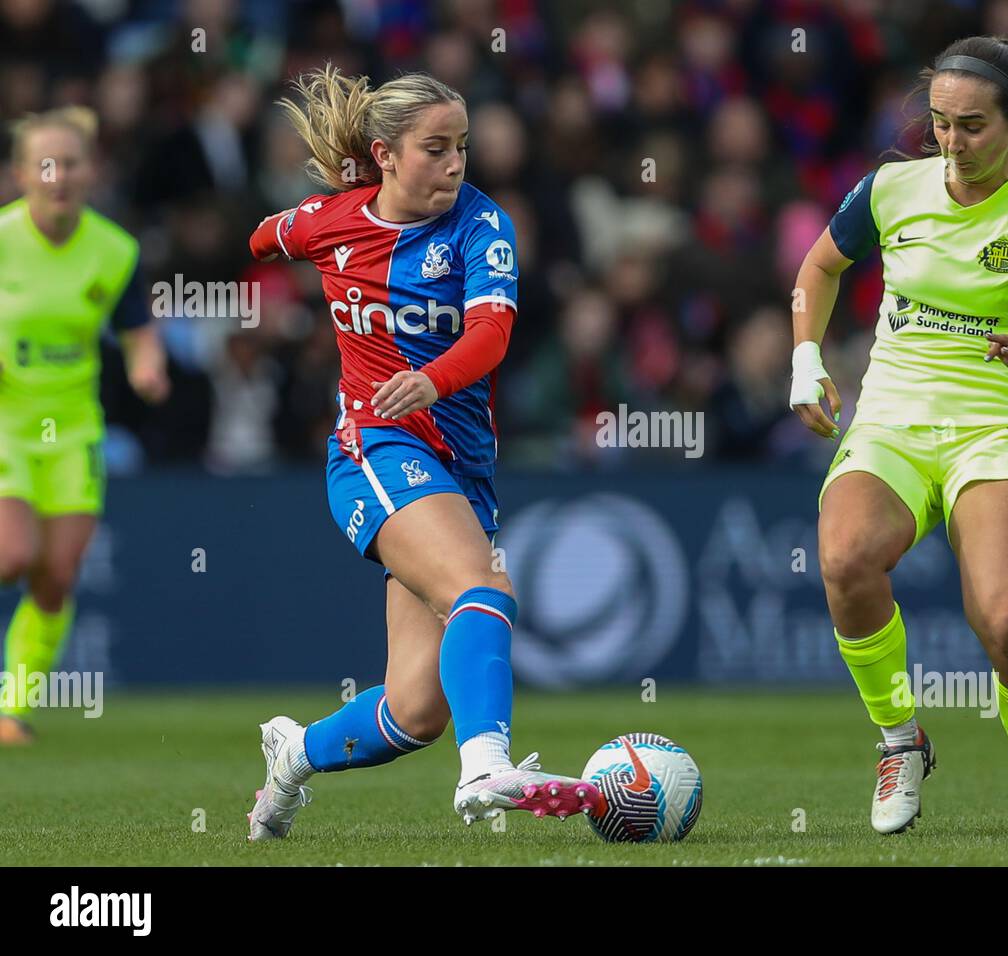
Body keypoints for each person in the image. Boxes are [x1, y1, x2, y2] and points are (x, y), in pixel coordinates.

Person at [245, 65, 602, 839]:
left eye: (462, 148)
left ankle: (293, 755)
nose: (453, 165)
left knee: (414, 711)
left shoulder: (482, 226)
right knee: (483, 587)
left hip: (460, 467)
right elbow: (267, 236)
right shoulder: (333, 221)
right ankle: (487, 769)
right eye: (434, 148)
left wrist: (431, 380)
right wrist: (291, 245)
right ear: (384, 155)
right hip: (373, 449)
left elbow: (490, 335)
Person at [789, 36, 1008, 837]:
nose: (952, 143)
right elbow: (818, 270)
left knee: (1005, 623)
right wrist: (805, 360)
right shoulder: (891, 188)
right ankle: (901, 738)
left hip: (992, 427)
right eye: (939, 124)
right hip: (892, 418)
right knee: (844, 558)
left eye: (971, 126)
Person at [0, 107, 169, 745]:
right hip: (6, 423)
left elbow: (136, 332)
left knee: (57, 575)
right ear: (20, 173)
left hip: (73, 430)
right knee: (12, 553)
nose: (58, 175)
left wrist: (146, 368)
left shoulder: (115, 250)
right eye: (44, 163)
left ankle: (11, 712)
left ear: (90, 171)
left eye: (69, 162)